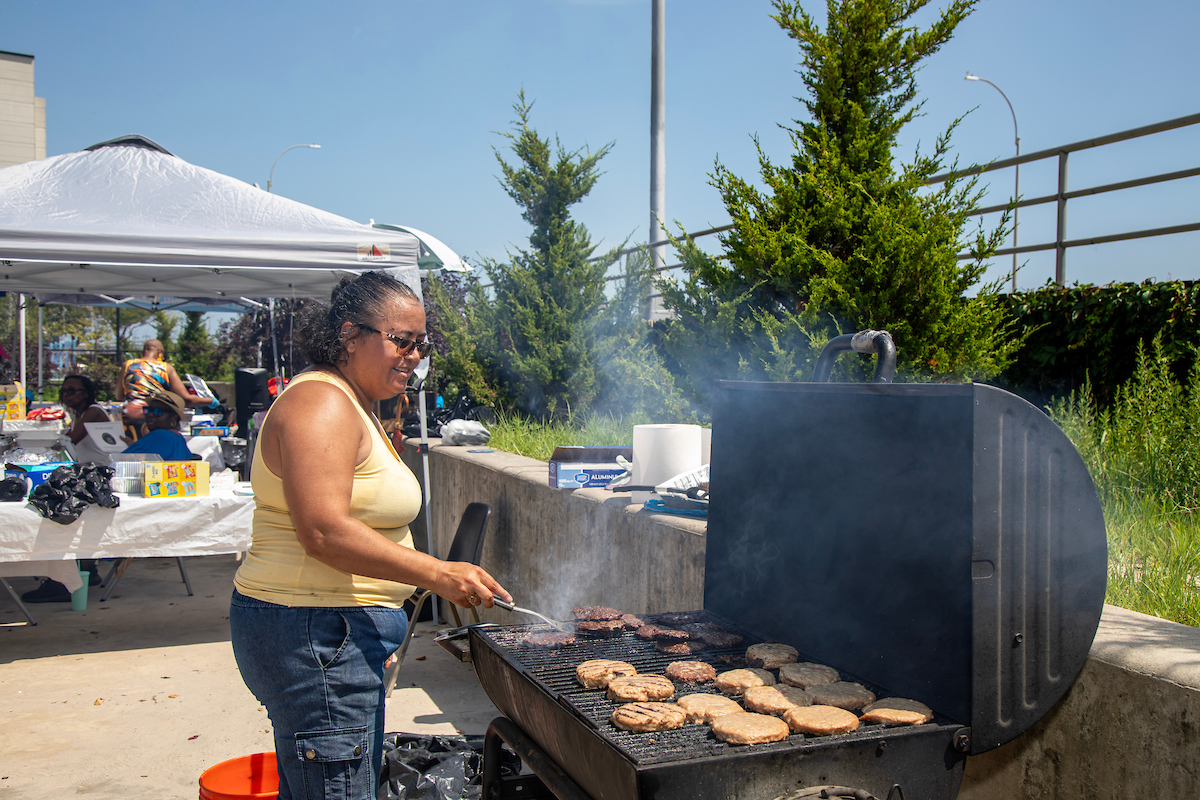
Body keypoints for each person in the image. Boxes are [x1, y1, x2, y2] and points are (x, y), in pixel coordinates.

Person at [229, 271, 510, 800]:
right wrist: (437, 573)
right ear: (348, 335)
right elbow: (323, 530)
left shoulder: (350, 401)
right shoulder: (322, 402)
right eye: (401, 341)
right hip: (316, 632)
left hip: (330, 631)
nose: (414, 356)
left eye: (420, 345)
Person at [115, 338, 216, 437]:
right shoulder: (165, 368)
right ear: (160, 352)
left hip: (129, 415)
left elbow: (119, 396)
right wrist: (210, 401)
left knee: (134, 450)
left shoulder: (128, 364)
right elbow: (185, 399)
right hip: (154, 416)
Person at [121, 389, 198, 461]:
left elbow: (120, 460)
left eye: (157, 412)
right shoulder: (177, 437)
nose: (150, 415)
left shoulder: (161, 435)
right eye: (148, 410)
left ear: (173, 417)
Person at [61, 374, 115, 465]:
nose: (66, 394)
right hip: (89, 469)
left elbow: (71, 440)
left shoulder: (94, 411)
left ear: (86, 393)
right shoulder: (76, 414)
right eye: (63, 391)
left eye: (71, 390)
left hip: (104, 469)